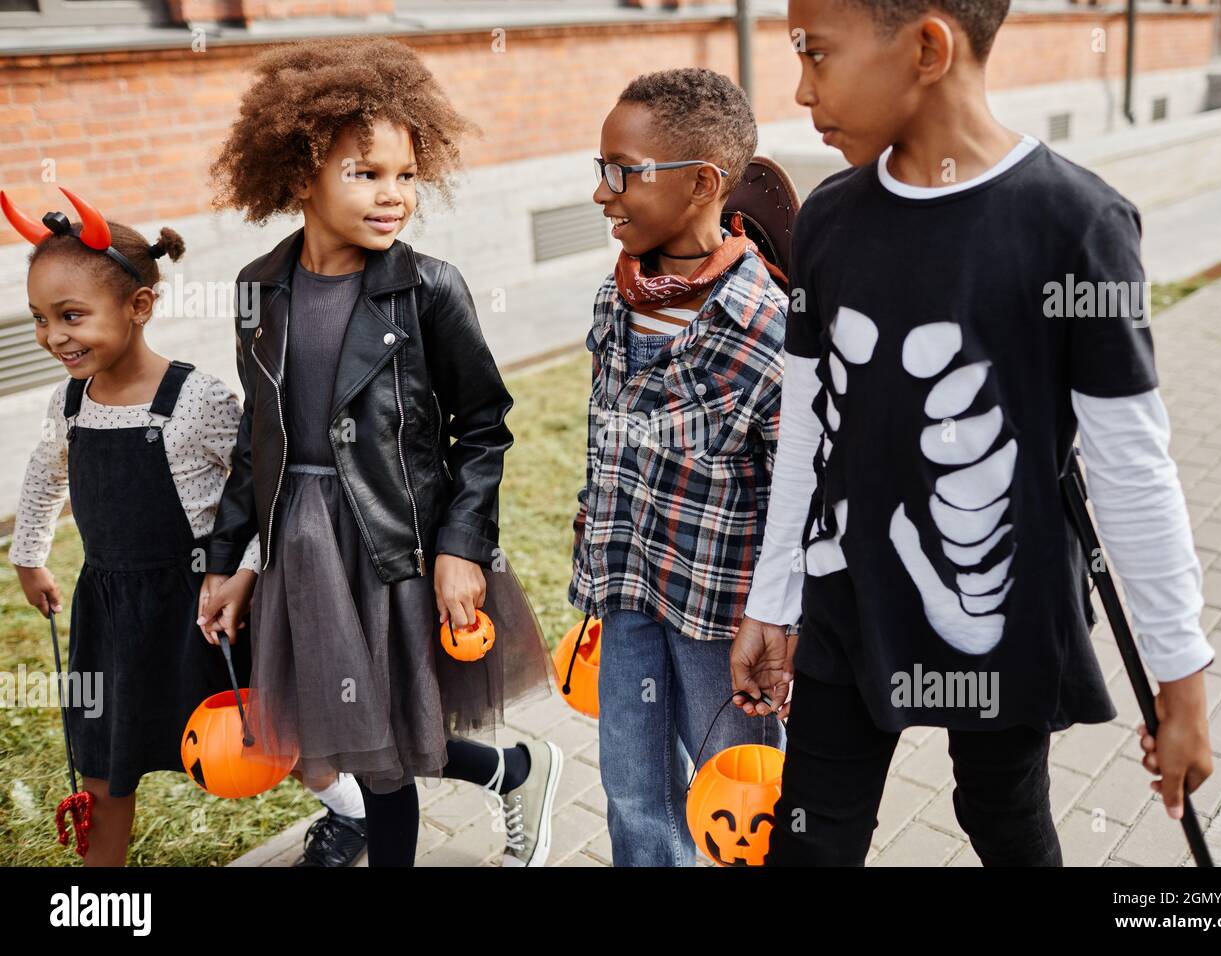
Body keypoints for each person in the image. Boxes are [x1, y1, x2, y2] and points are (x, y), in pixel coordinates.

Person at [733, 0, 1215, 866]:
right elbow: (809, 427)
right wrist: (773, 600)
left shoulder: (1077, 226)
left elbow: (1131, 469)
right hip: (849, 599)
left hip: (1005, 611)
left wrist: (1182, 682)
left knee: (1001, 815)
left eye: (817, 56)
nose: (801, 91)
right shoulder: (830, 221)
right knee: (813, 832)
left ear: (925, 48)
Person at [198, 37, 560, 868]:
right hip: (304, 546)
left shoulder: (427, 287)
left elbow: (486, 424)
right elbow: (262, 440)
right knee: (343, 739)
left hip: (395, 542)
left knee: (387, 755)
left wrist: (463, 547)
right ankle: (513, 770)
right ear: (300, 177)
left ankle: (489, 786)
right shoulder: (260, 286)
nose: (393, 195)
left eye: (405, 174)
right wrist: (231, 561)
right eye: (365, 173)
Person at [571, 68, 788, 866]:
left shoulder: (766, 328)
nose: (604, 193)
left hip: (722, 625)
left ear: (702, 183)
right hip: (627, 596)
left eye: (622, 172)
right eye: (602, 170)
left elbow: (804, 497)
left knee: (741, 807)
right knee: (634, 794)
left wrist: (781, 619)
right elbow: (605, 445)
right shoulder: (615, 297)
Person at [6, 187, 256, 866]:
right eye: (39, 319)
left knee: (251, 741)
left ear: (140, 306)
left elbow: (262, 484)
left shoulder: (196, 397)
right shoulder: (70, 401)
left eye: (72, 315)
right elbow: (44, 470)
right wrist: (28, 554)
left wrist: (245, 572)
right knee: (103, 760)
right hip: (110, 609)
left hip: (201, 609)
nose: (54, 336)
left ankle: (348, 804)